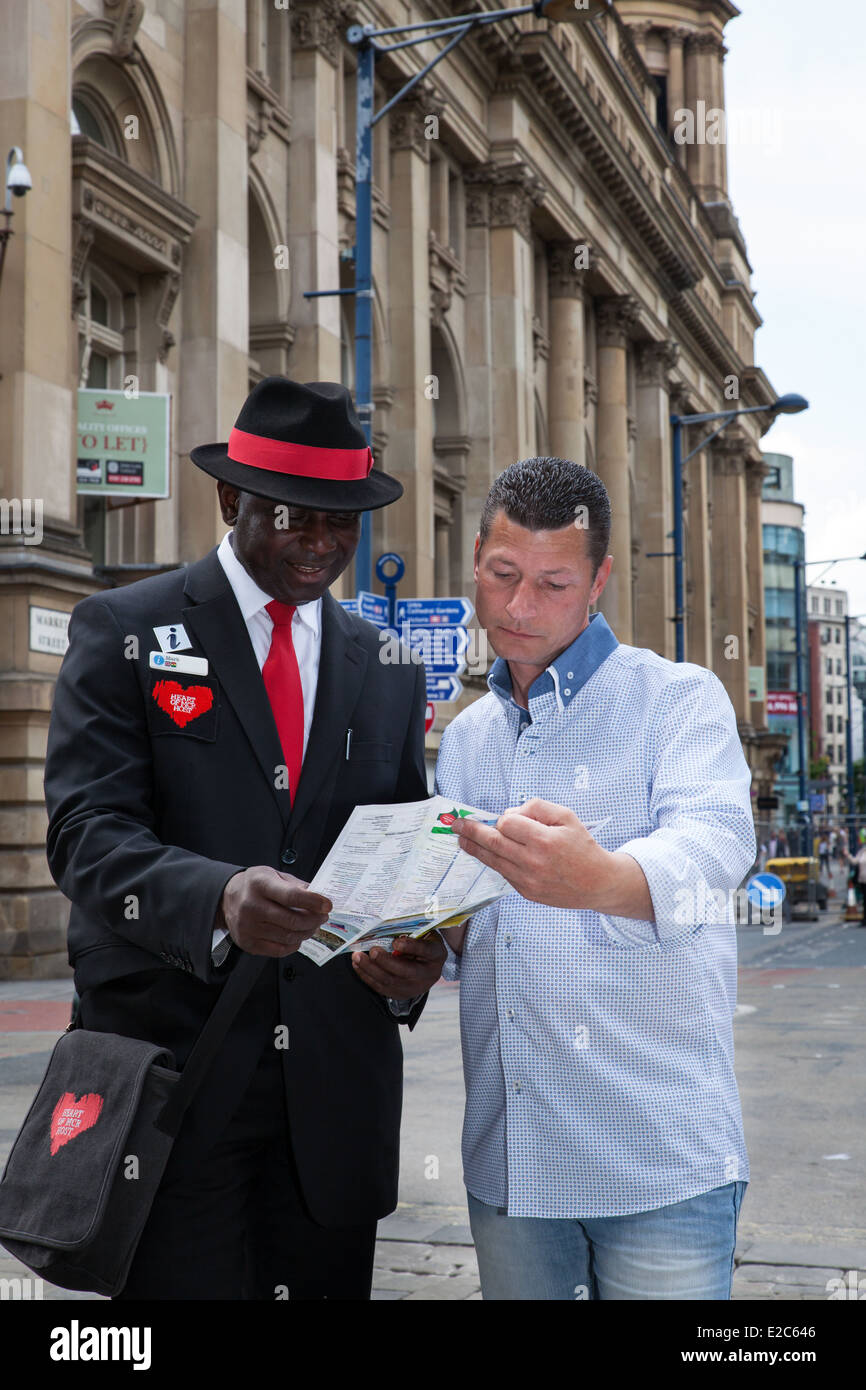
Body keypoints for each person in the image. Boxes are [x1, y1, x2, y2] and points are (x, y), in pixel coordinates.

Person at [43, 376, 445, 1300]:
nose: (321, 545)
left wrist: (413, 957)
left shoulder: (385, 665)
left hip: (336, 1103)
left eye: (342, 524)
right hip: (175, 1091)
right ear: (231, 500)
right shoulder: (126, 626)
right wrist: (219, 897)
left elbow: (400, 844)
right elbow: (85, 834)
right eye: (296, 519)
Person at [435, 456, 755, 1301]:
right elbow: (469, 927)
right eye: (503, 576)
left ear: (600, 580)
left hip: (658, 1167)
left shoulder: (677, 699)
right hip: (512, 1164)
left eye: (552, 583)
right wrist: (420, 946)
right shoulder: (466, 740)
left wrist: (603, 878)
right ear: (476, 558)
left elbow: (716, 850)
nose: (518, 607)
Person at [846, 830, 866, 926]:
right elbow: (855, 861)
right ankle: (864, 919)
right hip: (862, 880)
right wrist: (848, 855)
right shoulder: (862, 851)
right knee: (864, 900)